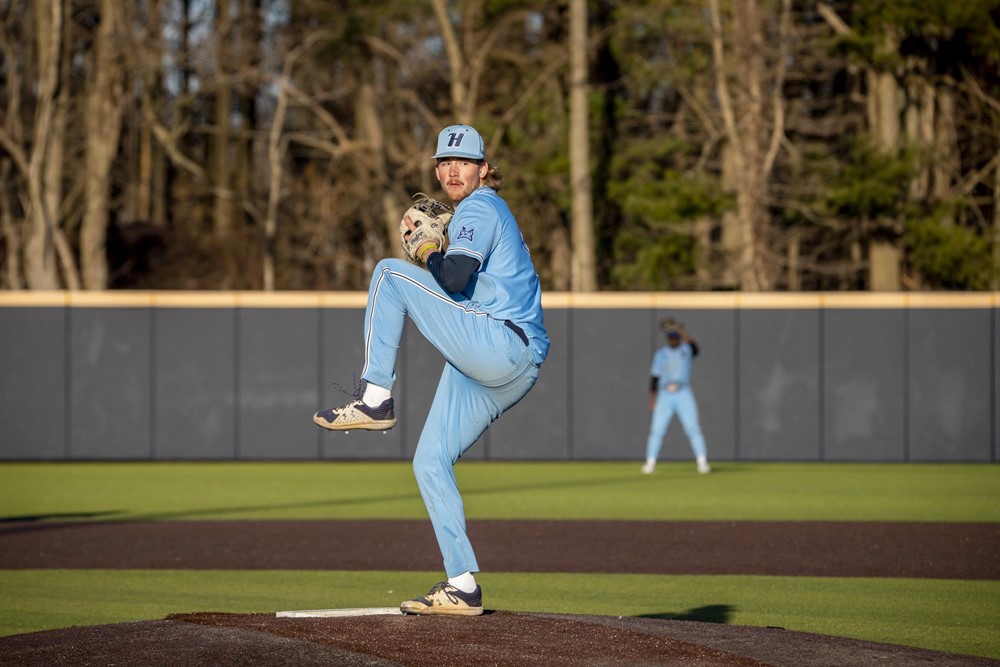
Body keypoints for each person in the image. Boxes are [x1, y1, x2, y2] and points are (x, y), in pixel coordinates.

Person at [313, 124, 549, 616]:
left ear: (484, 169)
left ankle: (375, 398)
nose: (453, 170)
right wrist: (438, 252)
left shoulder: (480, 206)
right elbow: (460, 286)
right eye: (445, 163)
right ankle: (462, 584)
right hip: (508, 364)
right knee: (429, 462)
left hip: (501, 341)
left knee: (388, 273)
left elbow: (455, 276)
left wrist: (427, 251)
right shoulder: (479, 214)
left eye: (464, 162)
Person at [642, 317, 710, 475]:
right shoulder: (661, 354)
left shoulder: (685, 350)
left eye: (675, 337)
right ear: (667, 339)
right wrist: (652, 400)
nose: (673, 339)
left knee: (692, 428)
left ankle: (702, 462)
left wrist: (682, 330)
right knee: (657, 430)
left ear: (678, 337)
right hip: (665, 393)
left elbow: (696, 349)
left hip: (682, 391)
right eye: (670, 337)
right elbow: (654, 378)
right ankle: (650, 463)